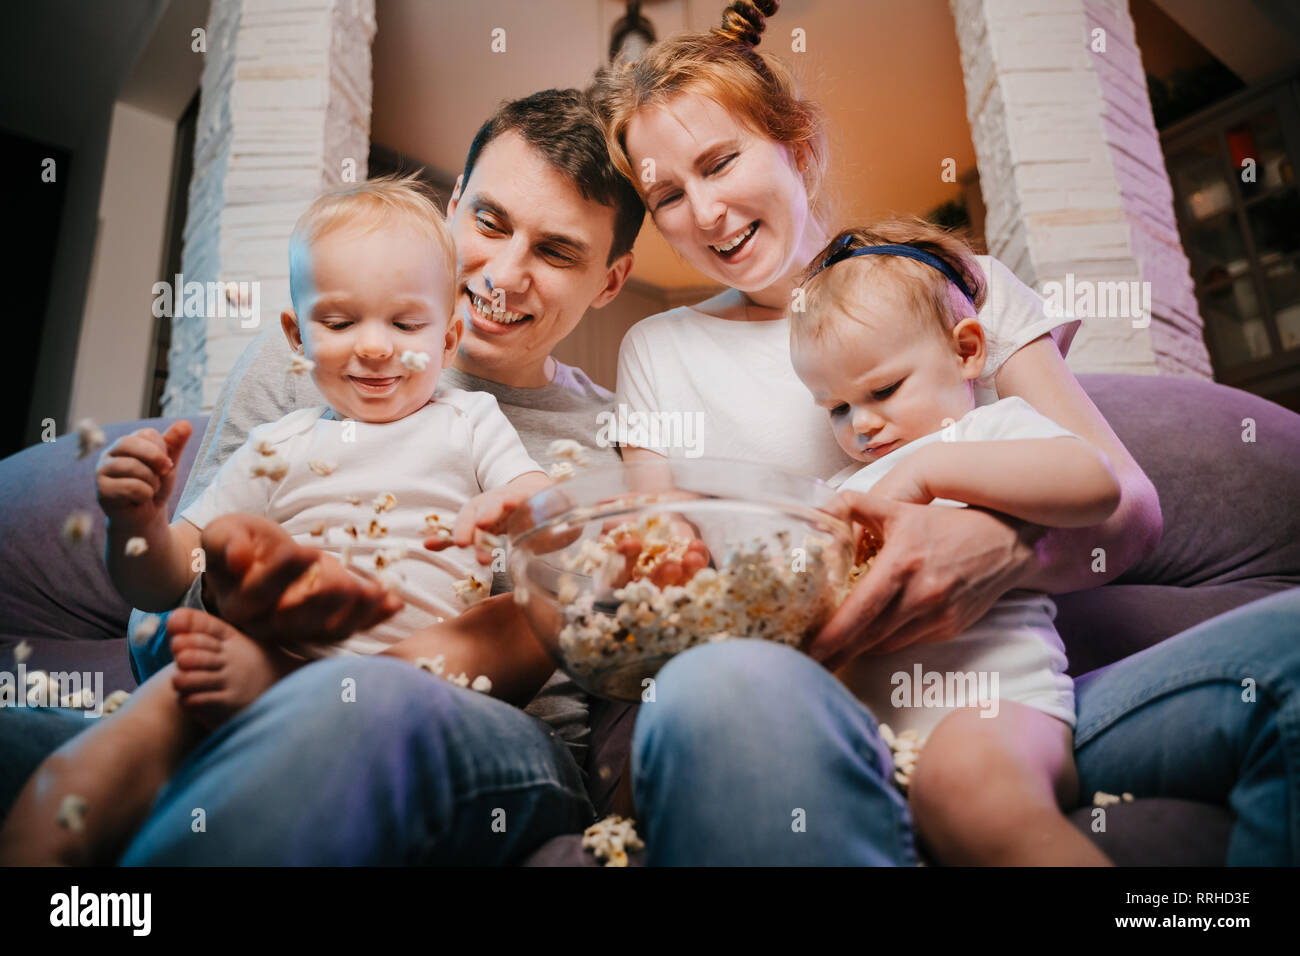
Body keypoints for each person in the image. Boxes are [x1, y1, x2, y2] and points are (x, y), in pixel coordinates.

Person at [589, 0, 1300, 865]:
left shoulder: (954, 285)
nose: (703, 211)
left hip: (1004, 705)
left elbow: (1128, 510)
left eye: (722, 161)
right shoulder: (659, 350)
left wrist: (996, 551)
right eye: (666, 194)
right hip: (812, 711)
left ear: (797, 148)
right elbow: (662, 591)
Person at [0, 89, 645, 865]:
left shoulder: (617, 439)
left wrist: (543, 521)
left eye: (557, 251)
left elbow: (617, 648)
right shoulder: (296, 380)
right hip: (267, 671)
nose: (505, 274)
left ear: (610, 281)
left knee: (453, 649)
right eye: (489, 221)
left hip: (479, 726)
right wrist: (224, 582)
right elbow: (167, 606)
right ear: (453, 210)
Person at [789, 220, 1121, 864]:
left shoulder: (988, 432)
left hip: (996, 710)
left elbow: (1096, 482)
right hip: (874, 739)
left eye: (883, 390)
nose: (861, 424)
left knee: (965, 786)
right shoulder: (842, 488)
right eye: (835, 408)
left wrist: (926, 471)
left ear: (967, 351)